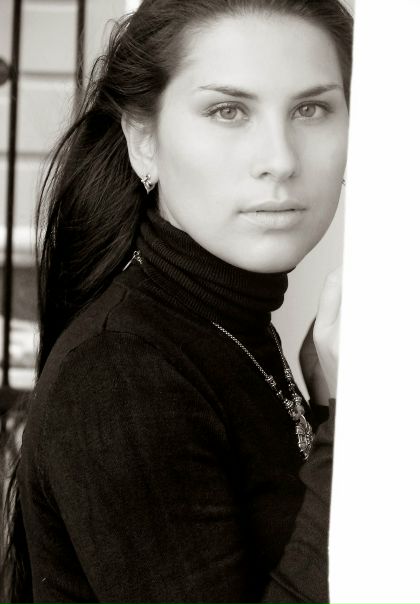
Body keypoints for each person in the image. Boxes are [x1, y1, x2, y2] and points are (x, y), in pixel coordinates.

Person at [2, 0, 352, 602]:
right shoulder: (122, 374)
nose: (280, 160)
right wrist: (350, 431)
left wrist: (328, 406)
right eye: (227, 111)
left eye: (310, 108)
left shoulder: (227, 323)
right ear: (143, 140)